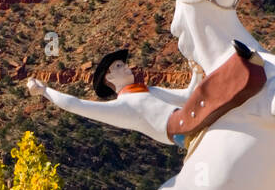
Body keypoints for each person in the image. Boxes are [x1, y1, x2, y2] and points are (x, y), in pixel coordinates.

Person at [26, 49, 199, 147]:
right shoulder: (123, 107)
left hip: (194, 117)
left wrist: (196, 68)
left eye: (123, 64)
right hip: (185, 131)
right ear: (109, 78)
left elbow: (189, 95)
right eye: (118, 66)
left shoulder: (149, 90)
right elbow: (74, 104)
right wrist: (44, 91)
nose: (126, 67)